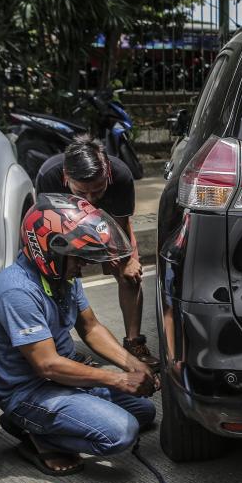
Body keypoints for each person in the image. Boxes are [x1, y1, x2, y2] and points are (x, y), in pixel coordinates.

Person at [0, 194, 159, 475]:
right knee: (121, 433)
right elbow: (47, 365)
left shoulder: (61, 274)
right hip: (30, 390)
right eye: (78, 256)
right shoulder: (16, 292)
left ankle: (54, 419)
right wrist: (119, 379)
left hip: (62, 381)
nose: (84, 265)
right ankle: (33, 432)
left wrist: (133, 364)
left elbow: (90, 327)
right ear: (49, 250)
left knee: (144, 411)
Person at [35, 136, 158, 370]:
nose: (91, 199)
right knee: (54, 278)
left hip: (106, 227)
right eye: (82, 192)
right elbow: (47, 225)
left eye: (98, 190)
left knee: (130, 274)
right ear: (66, 176)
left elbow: (121, 226)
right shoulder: (48, 175)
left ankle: (134, 343)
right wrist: (66, 263)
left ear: (106, 173)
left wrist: (127, 260)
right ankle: (61, 347)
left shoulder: (121, 174)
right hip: (64, 229)